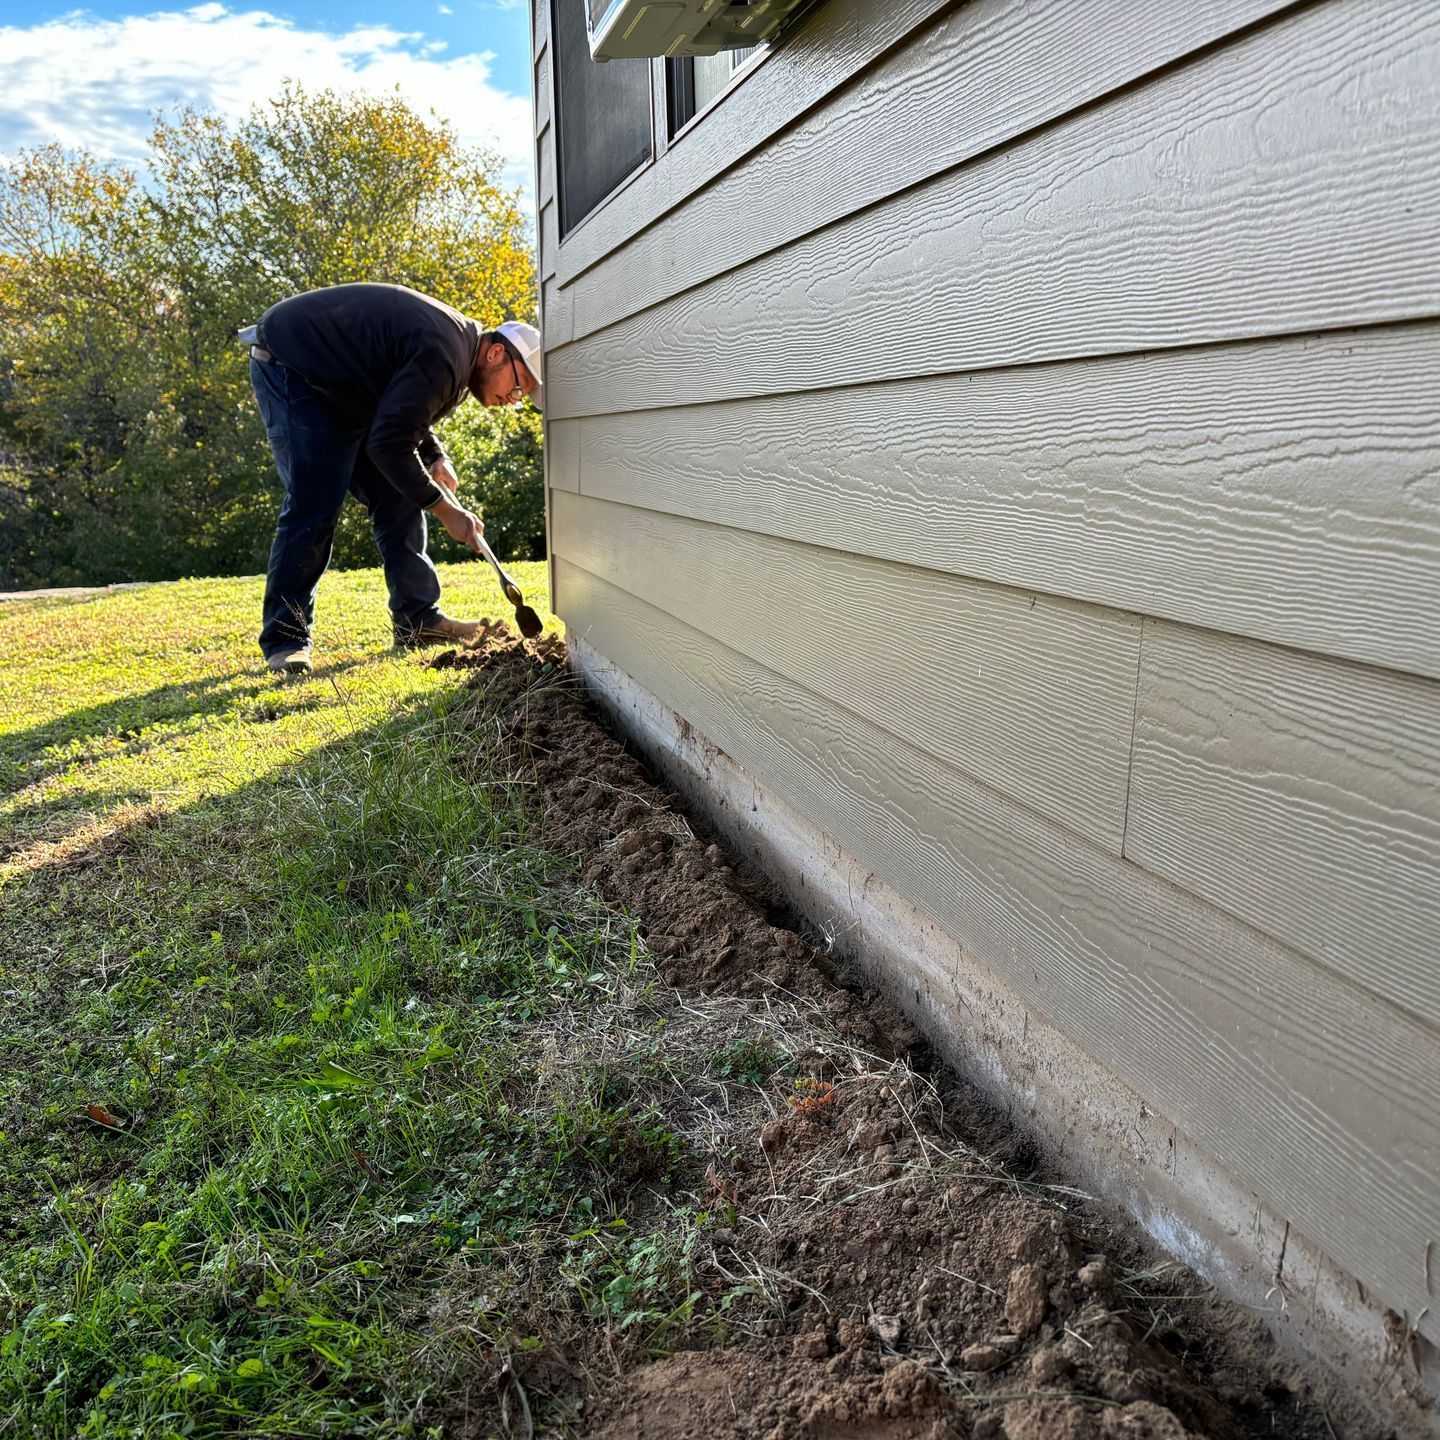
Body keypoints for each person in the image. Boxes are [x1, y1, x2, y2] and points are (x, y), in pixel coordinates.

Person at [242, 282, 542, 674]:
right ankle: (285, 641)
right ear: (498, 353)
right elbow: (390, 442)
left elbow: (401, 411)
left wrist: (435, 457)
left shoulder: (458, 352)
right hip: (293, 370)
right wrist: (446, 511)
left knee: (400, 494)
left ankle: (418, 620)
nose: (512, 400)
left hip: (346, 390)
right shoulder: (448, 354)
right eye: (518, 388)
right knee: (315, 501)